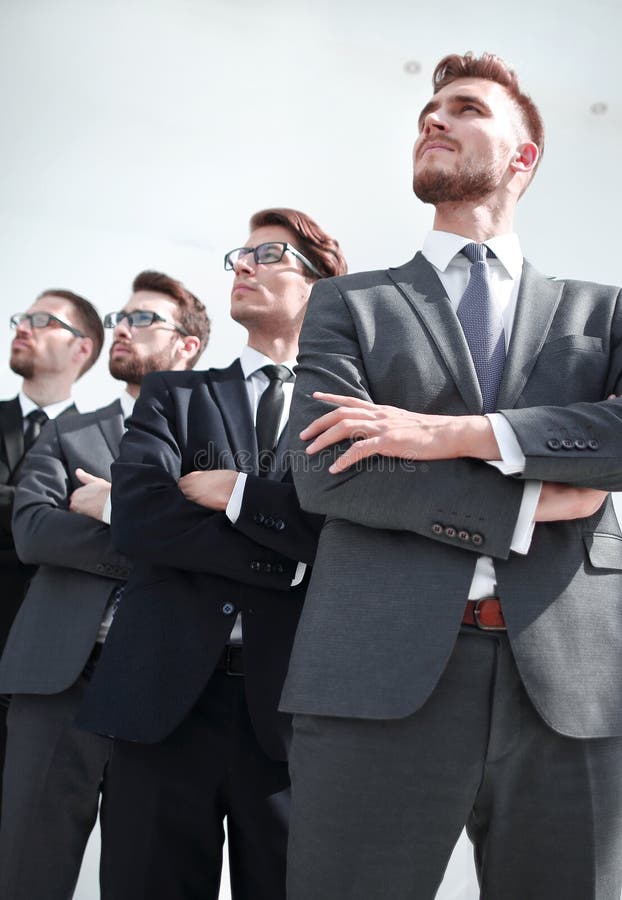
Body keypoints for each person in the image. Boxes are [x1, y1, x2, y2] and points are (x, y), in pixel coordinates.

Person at [283, 52, 622, 900]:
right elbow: (331, 472)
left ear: (522, 156)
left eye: (464, 107)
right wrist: (529, 502)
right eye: (427, 111)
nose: (432, 120)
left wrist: (454, 434)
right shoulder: (348, 305)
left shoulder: (604, 311)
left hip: (573, 689)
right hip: (374, 676)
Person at [78, 208, 347, 900]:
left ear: (318, 287)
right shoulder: (174, 395)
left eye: (270, 254)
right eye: (241, 255)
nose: (244, 266)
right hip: (161, 702)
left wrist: (234, 493)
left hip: (290, 714)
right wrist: (284, 556)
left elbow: (342, 533)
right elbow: (139, 519)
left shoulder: (346, 413)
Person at [0, 270, 210, 900]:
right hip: (57, 680)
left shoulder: (214, 441)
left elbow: (221, 543)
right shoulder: (68, 431)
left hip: (164, 690)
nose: (123, 327)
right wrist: (163, 539)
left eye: (143, 319)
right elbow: (34, 531)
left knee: (144, 878)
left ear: (187, 346)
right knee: (24, 873)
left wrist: (117, 510)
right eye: (121, 316)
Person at [0, 289, 103, 819]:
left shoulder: (101, 439)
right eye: (23, 317)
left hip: (51, 662)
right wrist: (45, 510)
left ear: (83, 348)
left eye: (43, 320)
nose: (23, 326)